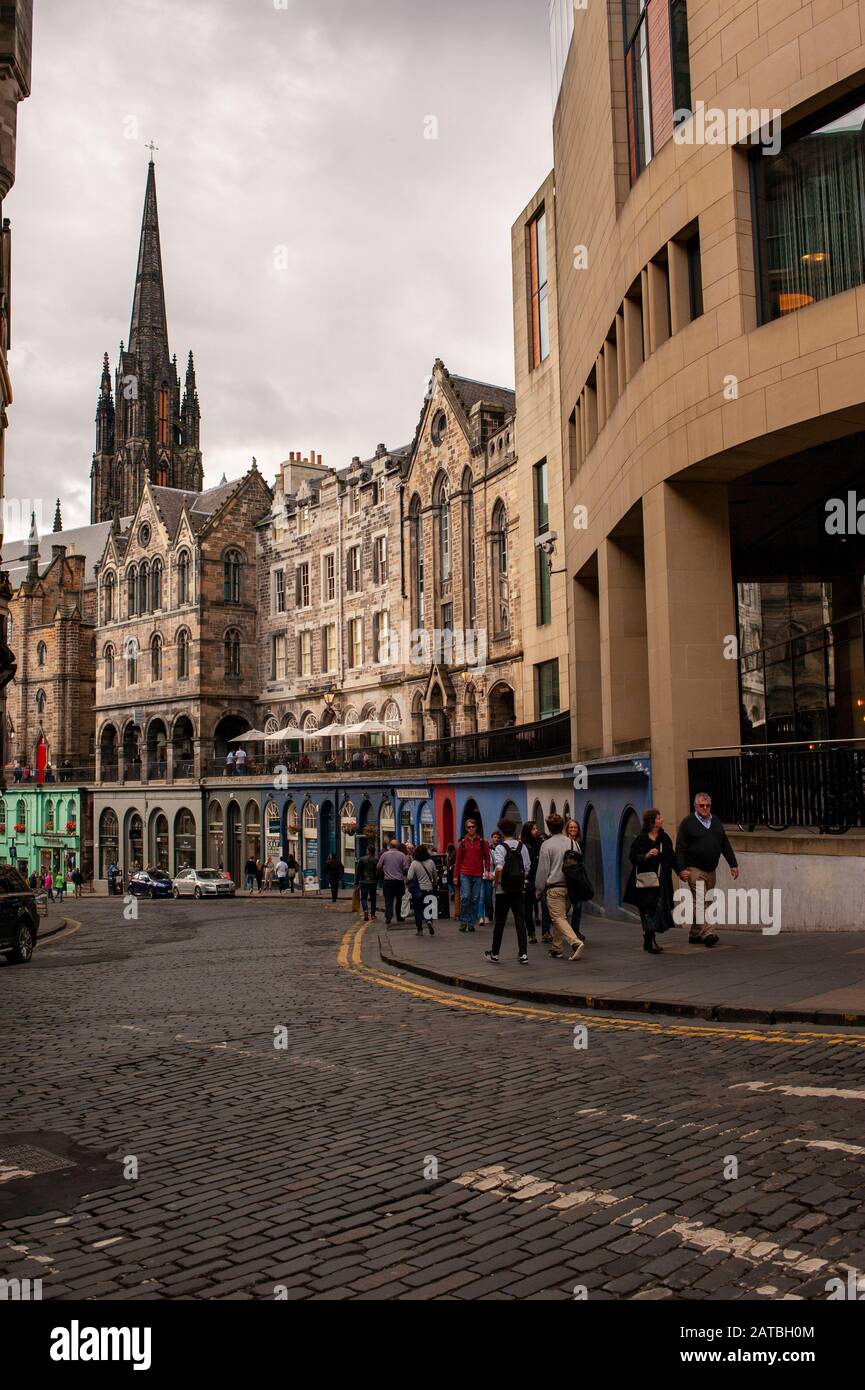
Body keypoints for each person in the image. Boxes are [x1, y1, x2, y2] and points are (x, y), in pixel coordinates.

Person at [675, 791, 739, 948]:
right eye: (701, 805)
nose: (705, 808)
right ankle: (708, 933)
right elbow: (680, 848)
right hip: (694, 868)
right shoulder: (687, 823)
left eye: (707, 805)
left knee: (706, 900)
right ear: (695, 806)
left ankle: (695, 933)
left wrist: (733, 864)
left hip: (711, 869)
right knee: (701, 900)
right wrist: (681, 869)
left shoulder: (715, 821)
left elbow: (724, 844)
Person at [623, 807, 676, 953]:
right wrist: (645, 856)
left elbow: (671, 857)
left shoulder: (664, 838)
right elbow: (632, 857)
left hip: (661, 881)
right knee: (648, 909)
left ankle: (648, 937)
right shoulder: (641, 839)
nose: (662, 820)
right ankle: (650, 940)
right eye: (659, 818)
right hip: (645, 882)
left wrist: (681, 871)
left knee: (657, 909)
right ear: (652, 822)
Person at [535, 813, 584, 961]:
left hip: (555, 887)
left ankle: (575, 942)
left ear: (549, 828)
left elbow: (543, 869)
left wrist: (538, 888)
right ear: (563, 826)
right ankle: (556, 948)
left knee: (557, 918)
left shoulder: (547, 845)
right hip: (571, 887)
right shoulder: (572, 843)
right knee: (561, 918)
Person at [484, 817, 530, 964]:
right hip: (518, 889)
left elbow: (499, 868)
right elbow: (527, 867)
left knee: (500, 923)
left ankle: (495, 953)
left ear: (502, 832)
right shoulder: (523, 847)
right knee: (520, 921)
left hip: (503, 890)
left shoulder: (500, 848)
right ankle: (523, 954)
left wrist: (495, 882)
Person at [454, 817, 490, 934]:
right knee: (465, 897)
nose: (471, 829)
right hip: (465, 873)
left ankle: (471, 922)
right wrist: (455, 876)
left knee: (475, 899)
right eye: (468, 827)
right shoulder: (462, 843)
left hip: (478, 874)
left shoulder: (482, 842)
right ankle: (464, 921)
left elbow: (487, 856)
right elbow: (458, 861)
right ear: (466, 828)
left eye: (473, 827)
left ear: (476, 828)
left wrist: (488, 869)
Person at [564, 818, 587, 944]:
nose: (573, 829)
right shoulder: (565, 842)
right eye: (571, 827)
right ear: (567, 829)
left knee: (578, 906)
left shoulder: (580, 843)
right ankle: (564, 931)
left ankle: (575, 930)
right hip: (566, 878)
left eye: (575, 827)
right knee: (565, 908)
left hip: (577, 878)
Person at [406, 845, 438, 936]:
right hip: (429, 889)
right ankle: (429, 921)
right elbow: (435, 875)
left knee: (418, 910)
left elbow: (409, 877)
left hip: (418, 890)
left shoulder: (414, 863)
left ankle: (420, 930)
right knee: (429, 908)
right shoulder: (431, 862)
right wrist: (434, 883)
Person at [377, 838, 409, 924]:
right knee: (399, 900)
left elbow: (379, 866)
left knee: (388, 900)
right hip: (399, 881)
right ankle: (399, 916)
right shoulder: (402, 855)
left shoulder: (384, 855)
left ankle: (388, 917)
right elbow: (406, 868)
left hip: (388, 881)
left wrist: (385, 870)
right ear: (397, 846)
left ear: (389, 846)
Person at [521, 821, 542, 944]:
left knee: (545, 906)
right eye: (533, 829)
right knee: (528, 908)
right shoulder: (523, 845)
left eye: (536, 828)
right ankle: (531, 933)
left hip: (540, 877)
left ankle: (546, 932)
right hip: (528, 879)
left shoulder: (540, 843)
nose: (536, 830)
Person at [355, 843, 380, 921]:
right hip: (373, 881)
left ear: (368, 851)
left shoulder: (362, 859)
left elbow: (358, 872)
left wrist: (356, 882)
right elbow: (378, 871)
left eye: (367, 849)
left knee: (364, 898)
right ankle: (372, 915)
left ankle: (365, 911)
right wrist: (377, 880)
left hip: (363, 881)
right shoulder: (376, 860)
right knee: (373, 898)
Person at [480, 830, 501, 925]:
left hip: (489, 878)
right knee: (481, 897)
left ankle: (489, 913)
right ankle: (483, 916)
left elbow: (497, 865)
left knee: (488, 897)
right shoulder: (477, 854)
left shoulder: (492, 852)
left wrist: (493, 875)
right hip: (480, 877)